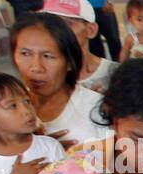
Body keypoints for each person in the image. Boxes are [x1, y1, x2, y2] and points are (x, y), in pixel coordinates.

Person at [9, 12, 110, 148]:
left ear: (69, 62)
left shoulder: (97, 110)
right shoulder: (2, 113)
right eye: (25, 54)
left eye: (48, 56)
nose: (36, 67)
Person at [41, 0, 116, 94]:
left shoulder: (114, 74)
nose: (55, 31)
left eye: (67, 24)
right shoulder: (38, 77)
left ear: (91, 30)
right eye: (49, 24)